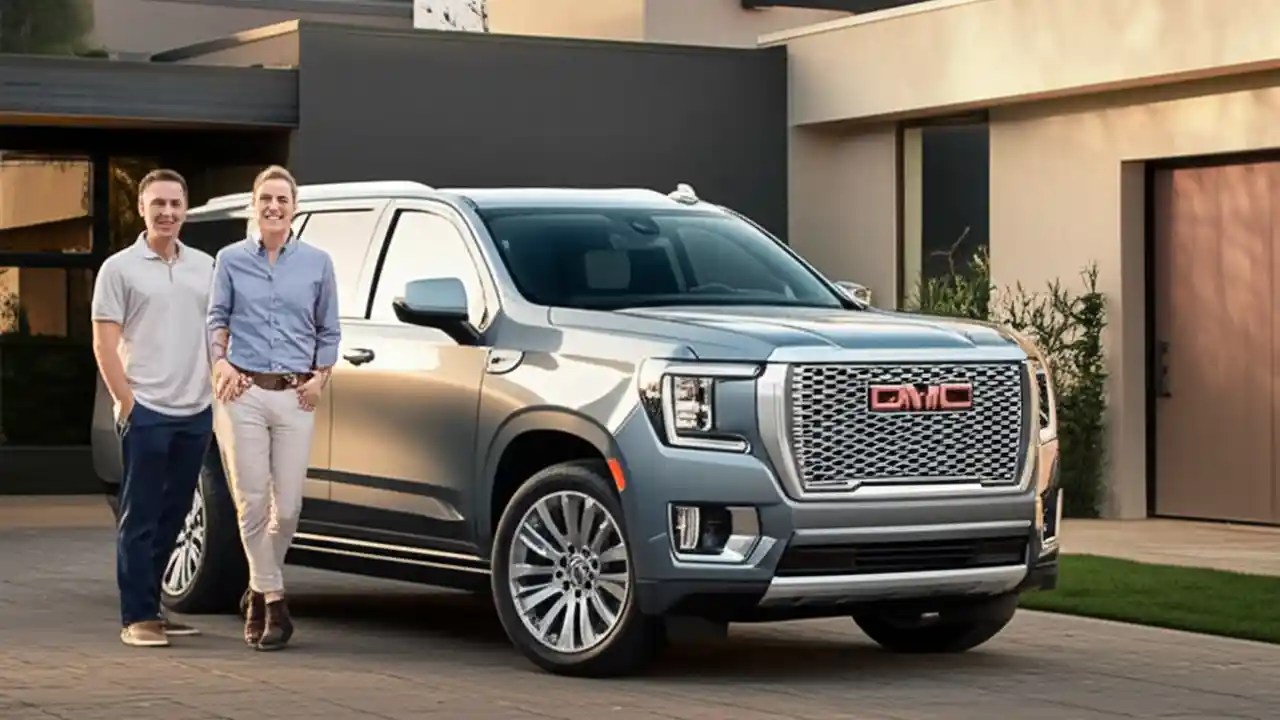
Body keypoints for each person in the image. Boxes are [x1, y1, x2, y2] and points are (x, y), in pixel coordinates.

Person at [207, 165, 340, 651]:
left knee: (288, 507)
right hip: (241, 393)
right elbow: (216, 318)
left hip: (296, 394)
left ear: (295, 207)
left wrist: (321, 378)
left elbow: (330, 331)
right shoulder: (229, 260)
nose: (274, 207)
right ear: (254, 205)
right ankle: (277, 604)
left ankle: (258, 591)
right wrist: (219, 363)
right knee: (252, 501)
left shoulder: (318, 263)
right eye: (265, 198)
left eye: (282, 199)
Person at [90, 168, 216, 648]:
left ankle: (153, 604)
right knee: (140, 515)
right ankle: (137, 616)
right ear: (142, 209)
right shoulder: (119, 269)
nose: (167, 212)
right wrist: (127, 402)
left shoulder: (205, 266)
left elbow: (216, 333)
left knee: (176, 511)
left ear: (185, 209)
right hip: (147, 410)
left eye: (175, 204)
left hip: (195, 411)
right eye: (158, 204)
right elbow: (104, 343)